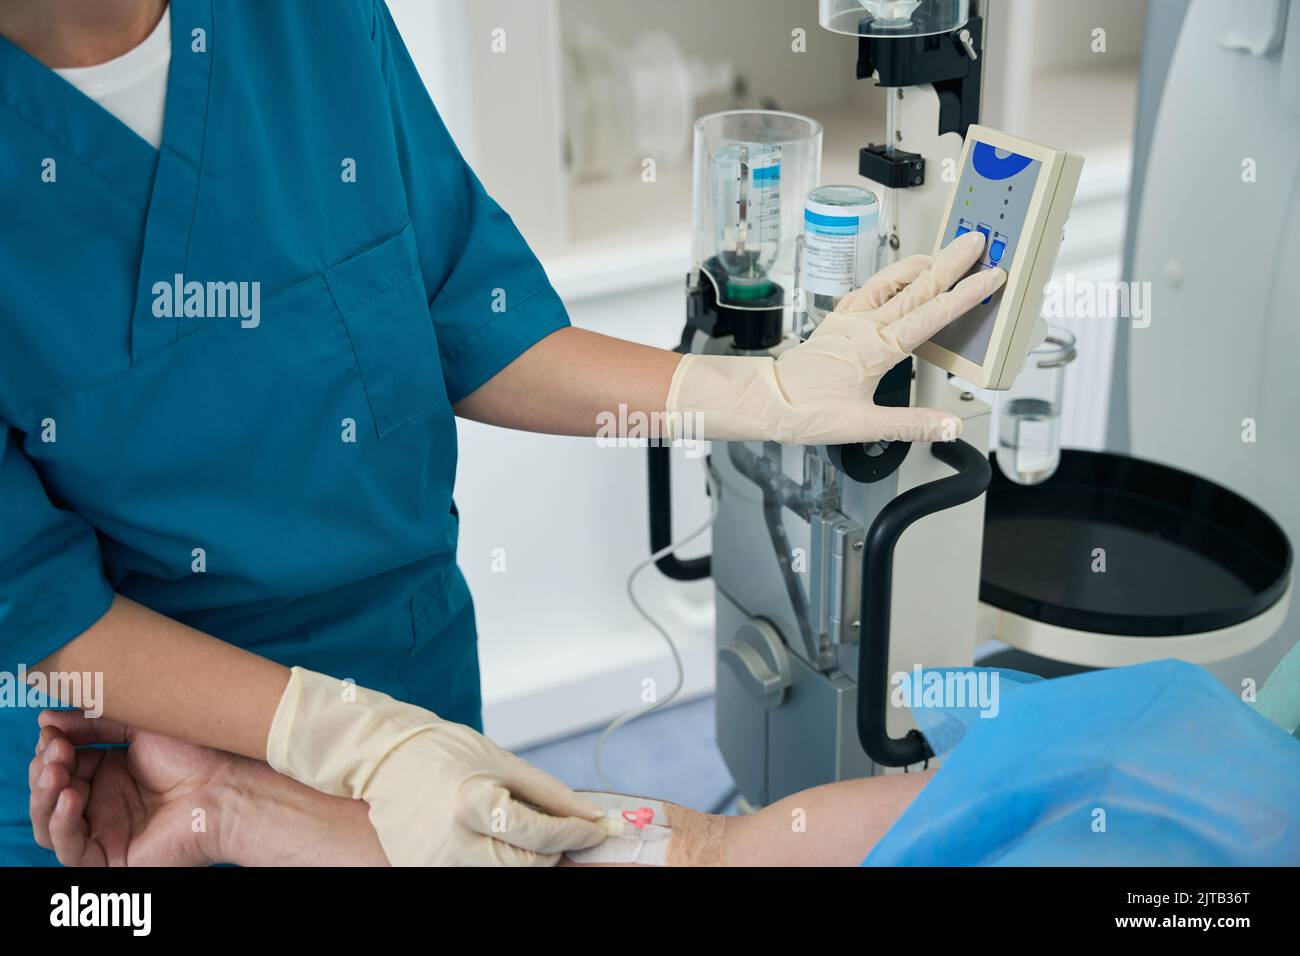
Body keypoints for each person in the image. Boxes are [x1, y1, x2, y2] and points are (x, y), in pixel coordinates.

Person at [0, 0, 1005, 865]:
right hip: (130, 762)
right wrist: (348, 743)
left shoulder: (309, 23)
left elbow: (466, 314)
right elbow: (28, 597)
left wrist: (751, 388)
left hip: (406, 684)